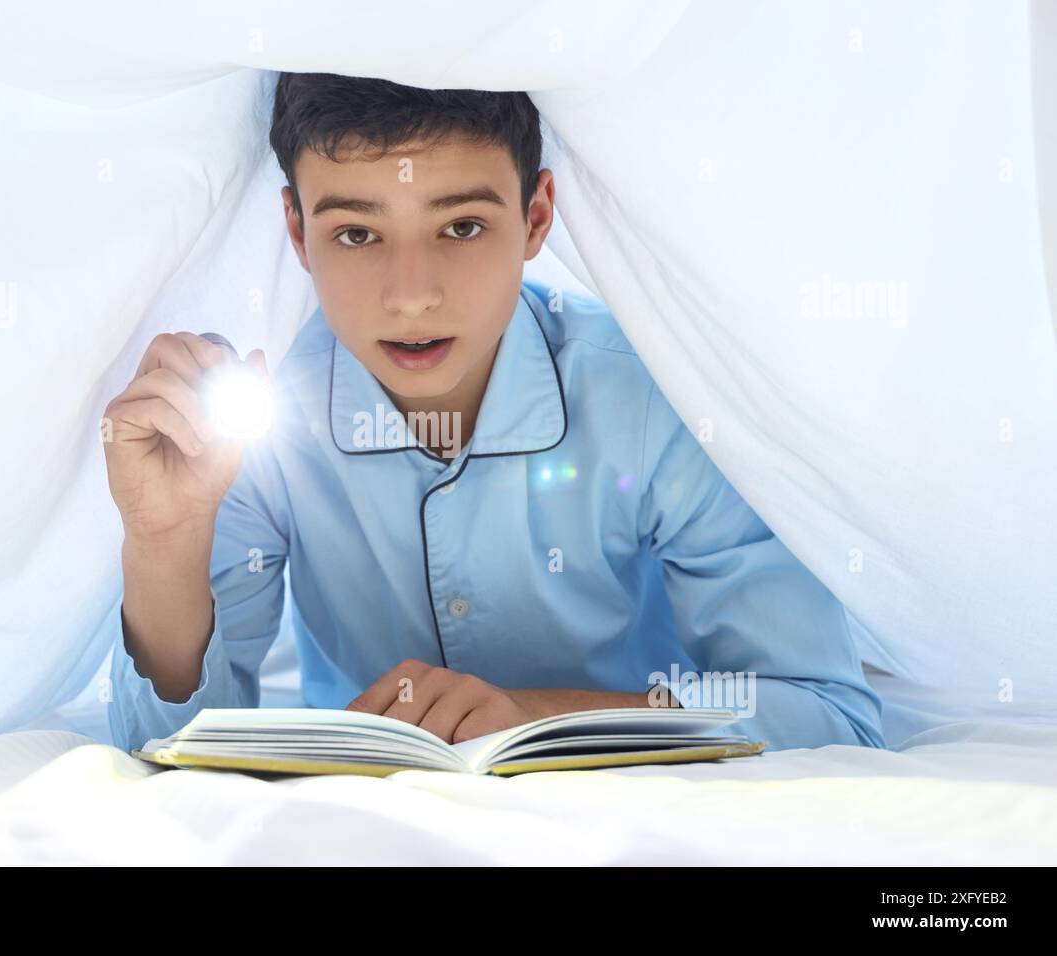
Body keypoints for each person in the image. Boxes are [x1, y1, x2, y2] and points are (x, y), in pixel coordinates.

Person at [100, 73, 885, 756]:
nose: (412, 295)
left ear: (537, 218)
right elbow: (160, 745)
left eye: (462, 226)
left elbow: (826, 710)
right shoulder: (251, 424)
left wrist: (540, 718)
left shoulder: (654, 399)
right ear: (299, 233)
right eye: (357, 233)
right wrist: (164, 543)